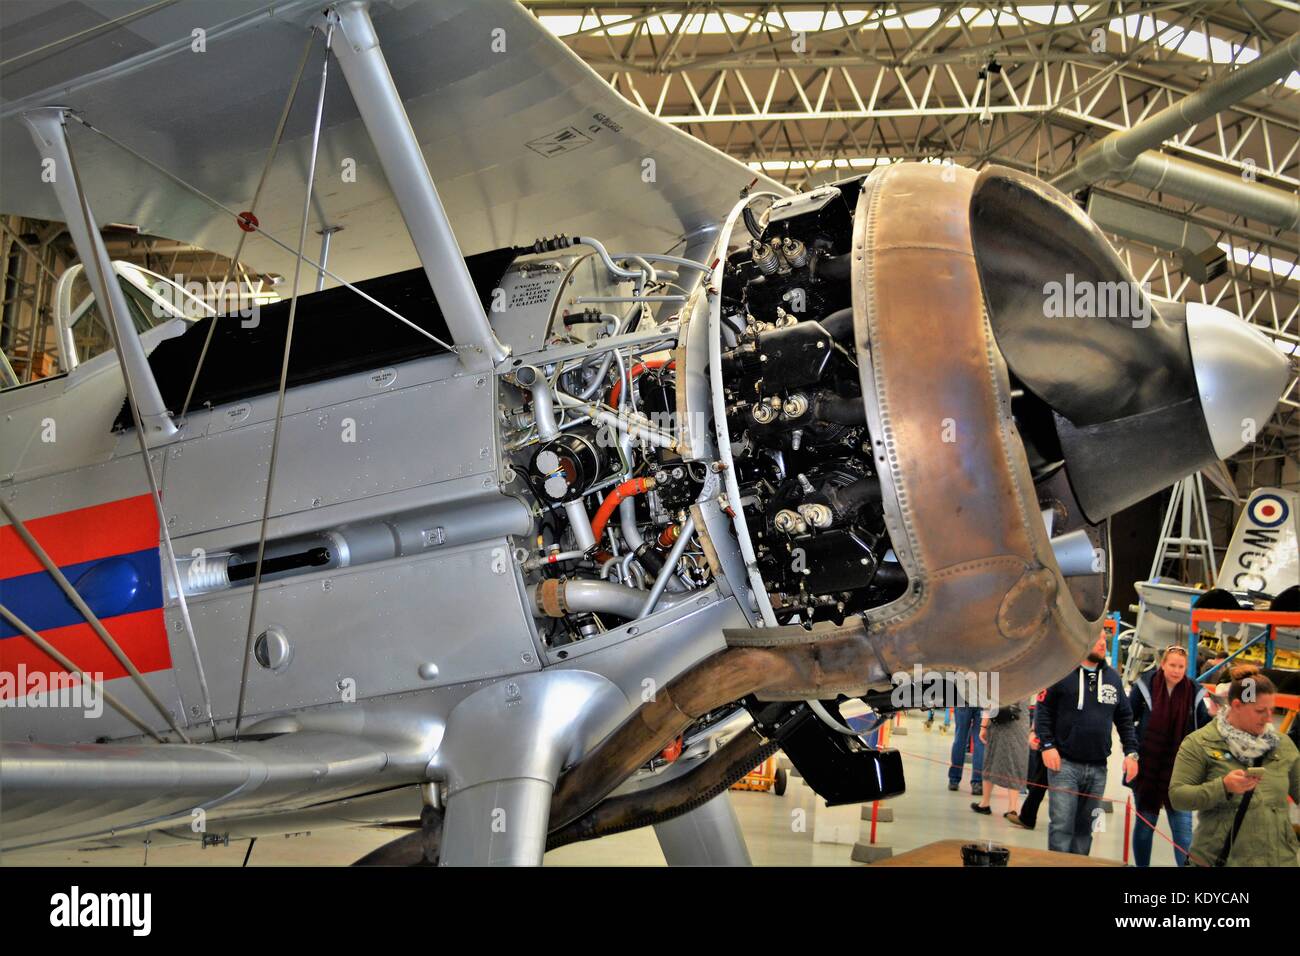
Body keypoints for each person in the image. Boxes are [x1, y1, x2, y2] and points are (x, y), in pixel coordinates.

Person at [1169, 666, 1300, 867]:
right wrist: (1223, 787)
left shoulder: (1282, 746)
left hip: (1280, 860)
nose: (1268, 718)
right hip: (1223, 860)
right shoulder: (1201, 743)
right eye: (1259, 711)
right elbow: (1178, 797)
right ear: (1237, 705)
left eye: (1271, 710)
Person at [1036, 633, 1139, 855]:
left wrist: (1132, 753)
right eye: (1096, 638)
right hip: (1064, 766)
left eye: (1104, 639)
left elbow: (1124, 718)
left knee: (1085, 830)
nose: (1102, 643)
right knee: (1061, 828)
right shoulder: (1060, 673)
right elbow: (1043, 710)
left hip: (1098, 769)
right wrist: (1047, 745)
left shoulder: (1112, 678)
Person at [1127, 645, 1210, 866]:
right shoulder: (1145, 686)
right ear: (1163, 664)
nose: (1176, 670)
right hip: (1147, 770)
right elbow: (1127, 719)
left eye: (1181, 666)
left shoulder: (1194, 691)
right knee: (1145, 827)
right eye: (1172, 665)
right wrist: (1132, 752)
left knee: (1183, 833)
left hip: (1182, 772)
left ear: (1186, 668)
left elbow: (1206, 726)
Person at [971, 699, 1029, 815]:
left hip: (997, 719)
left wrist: (983, 726)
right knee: (1016, 759)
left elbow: (989, 699)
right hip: (1020, 719)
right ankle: (1012, 808)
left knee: (990, 758)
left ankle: (985, 802)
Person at [1006, 694, 1047, 829]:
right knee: (1041, 777)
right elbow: (1043, 704)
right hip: (1050, 737)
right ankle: (1027, 816)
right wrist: (1034, 730)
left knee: (1041, 777)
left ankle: (1028, 816)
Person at [948, 705, 985, 793]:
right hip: (983, 701)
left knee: (960, 739)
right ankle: (977, 783)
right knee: (980, 741)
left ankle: (954, 780)